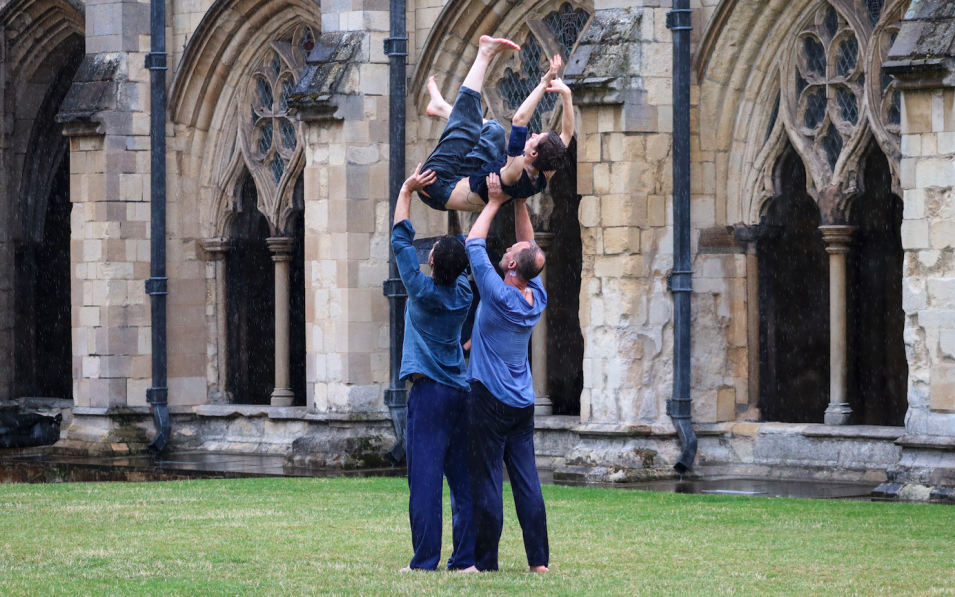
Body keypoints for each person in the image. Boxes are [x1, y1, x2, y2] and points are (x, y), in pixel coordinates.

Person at [461, 173, 549, 573]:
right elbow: (530, 245)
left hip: (489, 400)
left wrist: (495, 200)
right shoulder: (536, 296)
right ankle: (539, 564)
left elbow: (473, 243)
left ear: (512, 264)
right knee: (527, 482)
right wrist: (520, 197)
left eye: (511, 249)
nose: (510, 245)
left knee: (488, 481)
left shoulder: (497, 293)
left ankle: (485, 563)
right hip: (523, 403)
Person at [391, 164, 475, 572]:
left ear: (434, 263)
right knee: (462, 480)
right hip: (460, 394)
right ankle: (465, 560)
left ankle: (424, 561)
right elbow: (463, 246)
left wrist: (408, 190)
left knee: (424, 482)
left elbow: (400, 240)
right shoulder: (463, 293)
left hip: (428, 395)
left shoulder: (422, 291)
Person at [417, 39, 574, 213]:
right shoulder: (544, 171)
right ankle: (441, 108)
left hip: (436, 185)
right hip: (467, 176)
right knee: (494, 131)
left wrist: (544, 82)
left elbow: (519, 119)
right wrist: (566, 94)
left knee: (466, 129)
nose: (534, 134)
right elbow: (567, 134)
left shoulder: (515, 171)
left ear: (534, 153)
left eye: (537, 138)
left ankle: (484, 53)